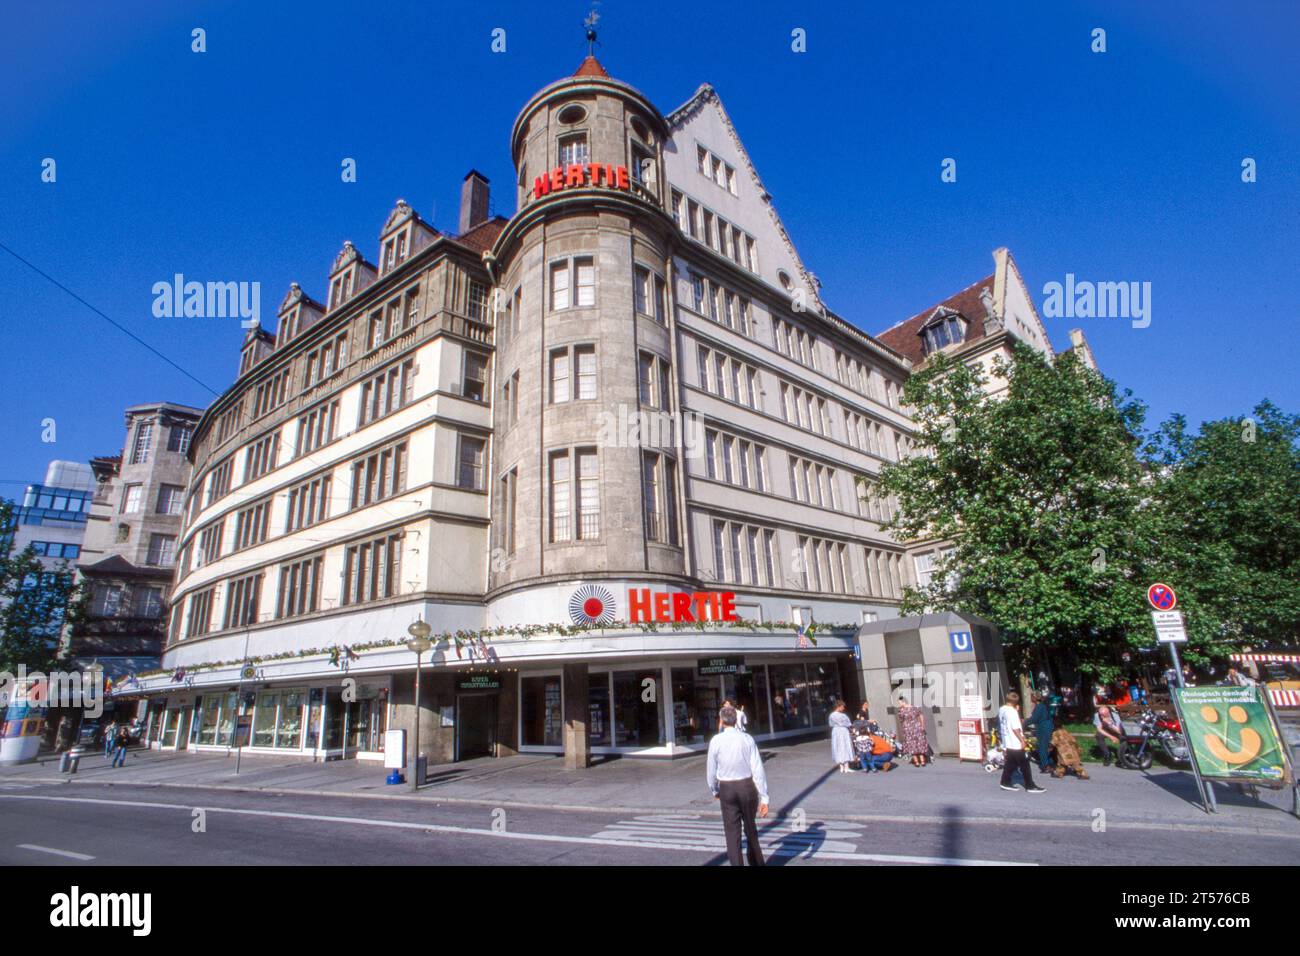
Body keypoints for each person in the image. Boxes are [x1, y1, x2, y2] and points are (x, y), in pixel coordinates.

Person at [706, 704, 769, 866]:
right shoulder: (747, 739)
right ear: (736, 719)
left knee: (732, 832)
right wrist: (764, 797)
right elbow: (757, 769)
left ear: (721, 720)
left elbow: (711, 770)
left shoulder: (716, 741)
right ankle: (757, 863)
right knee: (750, 828)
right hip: (747, 786)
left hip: (727, 788)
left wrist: (714, 789)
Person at [998, 692, 1045, 793]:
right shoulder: (1012, 712)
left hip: (1007, 740)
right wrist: (1022, 740)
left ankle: (1005, 781)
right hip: (1015, 742)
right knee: (1024, 764)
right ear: (1016, 702)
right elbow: (1015, 728)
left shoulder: (1002, 709)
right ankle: (1030, 785)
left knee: (1011, 763)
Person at [895, 695, 930, 767]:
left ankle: (919, 761)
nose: (899, 704)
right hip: (915, 727)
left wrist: (922, 725)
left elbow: (901, 720)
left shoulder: (902, 710)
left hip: (909, 728)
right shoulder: (914, 708)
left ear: (904, 701)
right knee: (917, 744)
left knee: (914, 744)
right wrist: (922, 725)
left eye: (900, 702)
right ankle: (920, 761)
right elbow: (921, 715)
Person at [1024, 692, 1055, 772]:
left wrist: (1024, 723)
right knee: (1047, 746)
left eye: (1031, 697)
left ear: (1035, 698)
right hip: (1048, 726)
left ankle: (1045, 766)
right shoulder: (1044, 706)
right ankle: (1051, 763)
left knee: (1042, 747)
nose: (1031, 699)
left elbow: (1034, 719)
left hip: (1043, 728)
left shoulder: (1039, 707)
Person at [829, 701, 855, 773]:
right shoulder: (843, 715)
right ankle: (846, 767)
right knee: (845, 746)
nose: (843, 708)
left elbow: (831, 724)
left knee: (838, 747)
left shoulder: (831, 715)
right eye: (842, 706)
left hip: (836, 731)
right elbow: (848, 724)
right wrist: (852, 729)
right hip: (843, 731)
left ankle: (841, 767)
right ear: (839, 706)